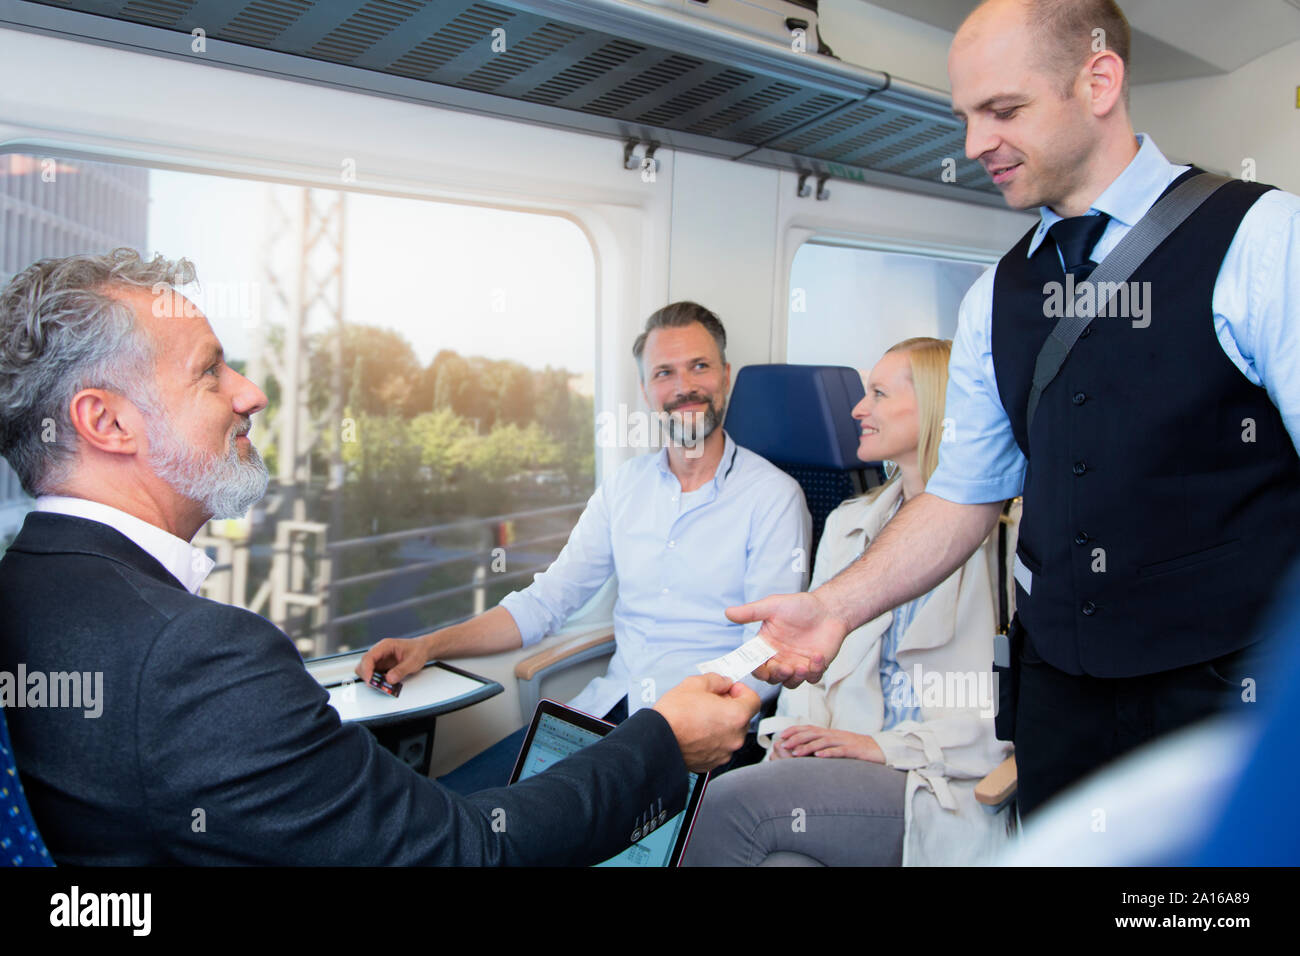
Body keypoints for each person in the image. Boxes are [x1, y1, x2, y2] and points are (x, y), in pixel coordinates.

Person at [0, 249, 760, 865]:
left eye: (700, 367)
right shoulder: (195, 656)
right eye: (210, 371)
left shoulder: (29, 587)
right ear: (105, 421)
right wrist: (661, 742)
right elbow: (466, 854)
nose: (252, 393)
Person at [730, 0, 1300, 819]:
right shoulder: (996, 294)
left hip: (1226, 701)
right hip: (1059, 702)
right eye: (965, 117)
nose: (973, 145)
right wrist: (833, 609)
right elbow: (964, 494)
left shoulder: (1260, 239)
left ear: (1099, 80)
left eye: (1004, 111)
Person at [359, 302, 810, 793]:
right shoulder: (625, 489)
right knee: (453, 801)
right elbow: (548, 601)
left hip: (700, 731)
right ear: (646, 390)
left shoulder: (773, 497)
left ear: (726, 375)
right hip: (605, 713)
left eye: (699, 366)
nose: (684, 387)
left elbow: (768, 645)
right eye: (665, 372)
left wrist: (696, 707)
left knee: (545, 837)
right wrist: (429, 645)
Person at [684, 339, 1016, 866]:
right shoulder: (847, 525)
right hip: (834, 775)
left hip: (936, 781)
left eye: (879, 394)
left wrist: (882, 748)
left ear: (938, 405)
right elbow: (807, 672)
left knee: (728, 803)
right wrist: (790, 735)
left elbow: (1014, 721)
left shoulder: (1008, 541)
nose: (858, 409)